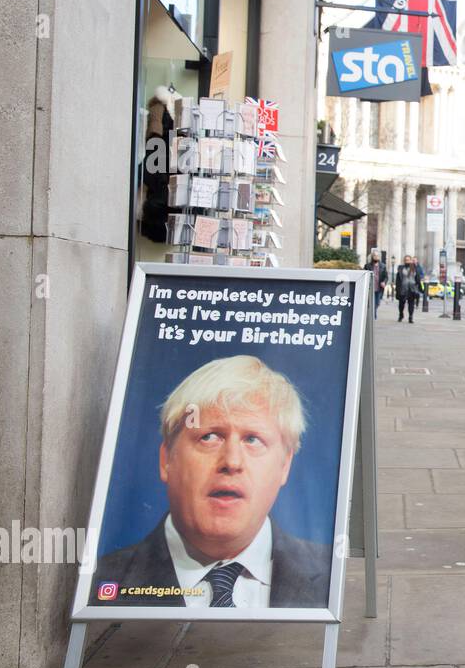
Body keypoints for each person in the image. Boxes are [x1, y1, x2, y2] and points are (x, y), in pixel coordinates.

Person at [90, 356, 330, 609]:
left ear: (285, 465)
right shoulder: (100, 583)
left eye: (252, 440)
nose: (232, 461)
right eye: (210, 437)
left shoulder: (331, 576)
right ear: (166, 459)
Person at [395, 254, 419, 323]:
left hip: (412, 289)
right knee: (401, 304)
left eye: (408, 260)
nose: (407, 261)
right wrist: (397, 289)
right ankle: (401, 314)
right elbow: (398, 279)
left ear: (411, 260)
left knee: (411, 304)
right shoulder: (401, 269)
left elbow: (417, 278)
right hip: (403, 289)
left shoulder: (414, 268)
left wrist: (418, 288)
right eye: (406, 260)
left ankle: (410, 317)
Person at [364, 251, 387, 318]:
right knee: (371, 302)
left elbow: (386, 276)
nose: (376, 257)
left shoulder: (383, 266)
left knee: (377, 302)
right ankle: (373, 315)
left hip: (379, 287)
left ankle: (373, 312)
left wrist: (384, 282)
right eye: (374, 256)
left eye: (377, 256)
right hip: (370, 287)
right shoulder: (367, 266)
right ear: (372, 257)